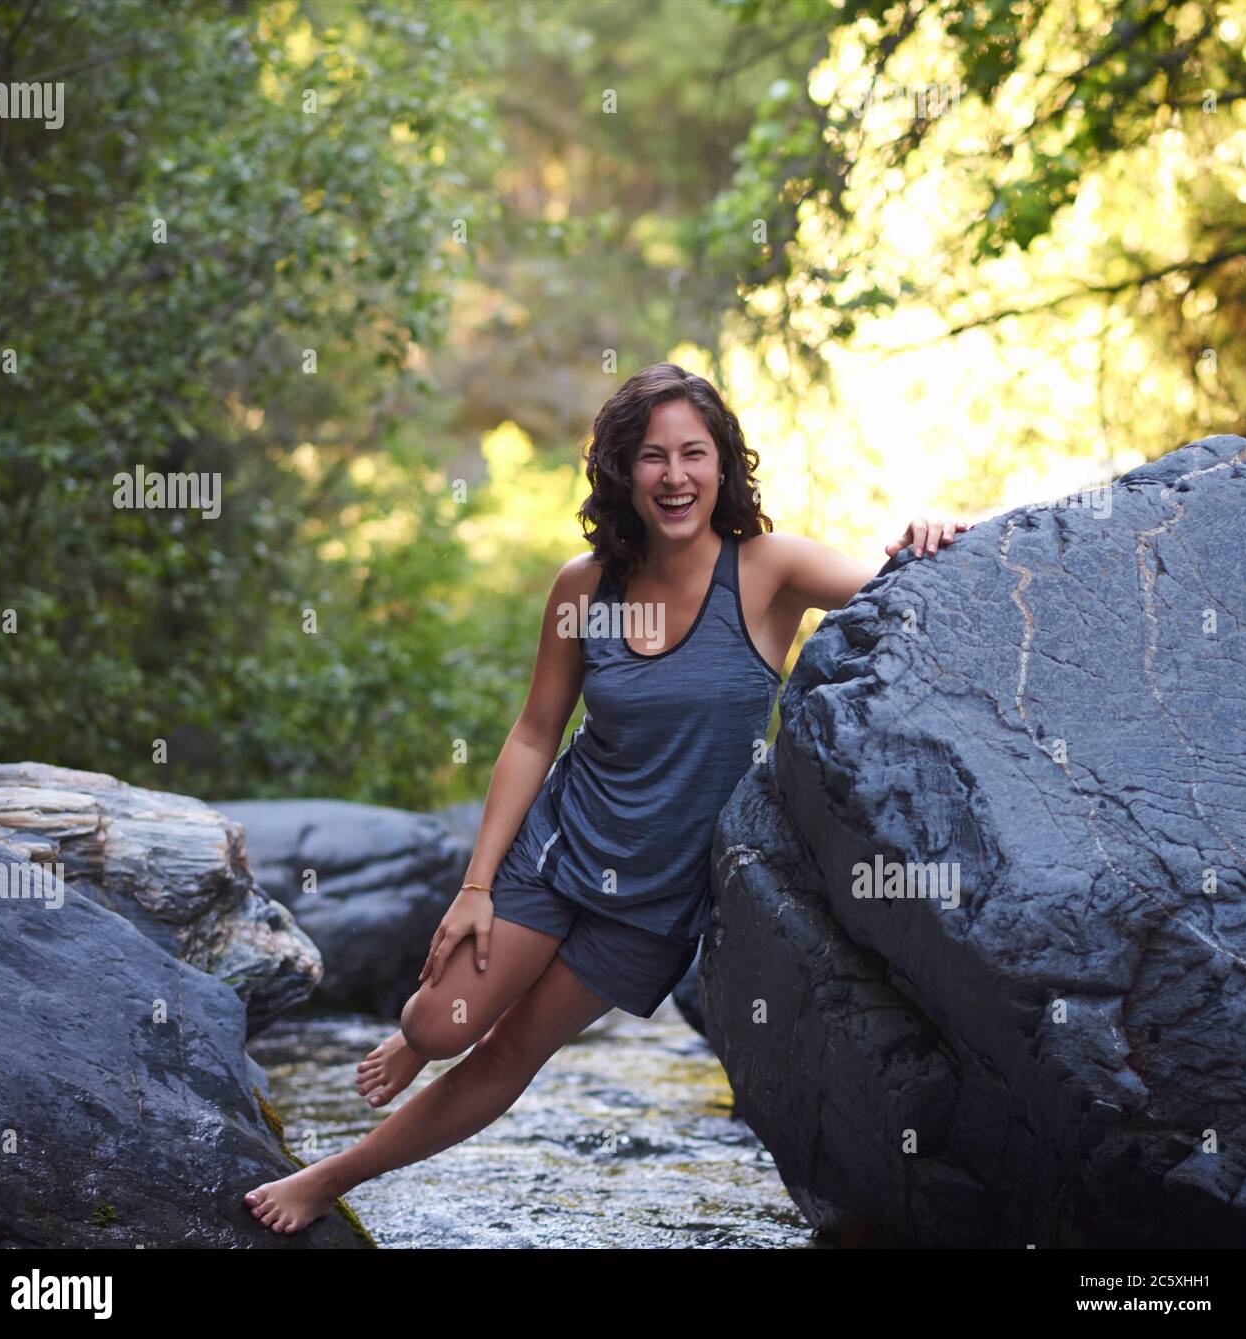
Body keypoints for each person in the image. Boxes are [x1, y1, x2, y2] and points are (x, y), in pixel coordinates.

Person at [244, 362, 968, 1233]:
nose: (675, 476)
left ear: (724, 465)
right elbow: (533, 733)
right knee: (439, 1025)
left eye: (694, 454)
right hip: (563, 849)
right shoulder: (582, 589)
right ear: (621, 472)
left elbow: (899, 596)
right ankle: (418, 1040)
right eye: (652, 456)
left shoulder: (768, 571)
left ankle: (330, 1176)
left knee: (511, 1050)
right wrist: (475, 886)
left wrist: (931, 532)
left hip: (655, 903)